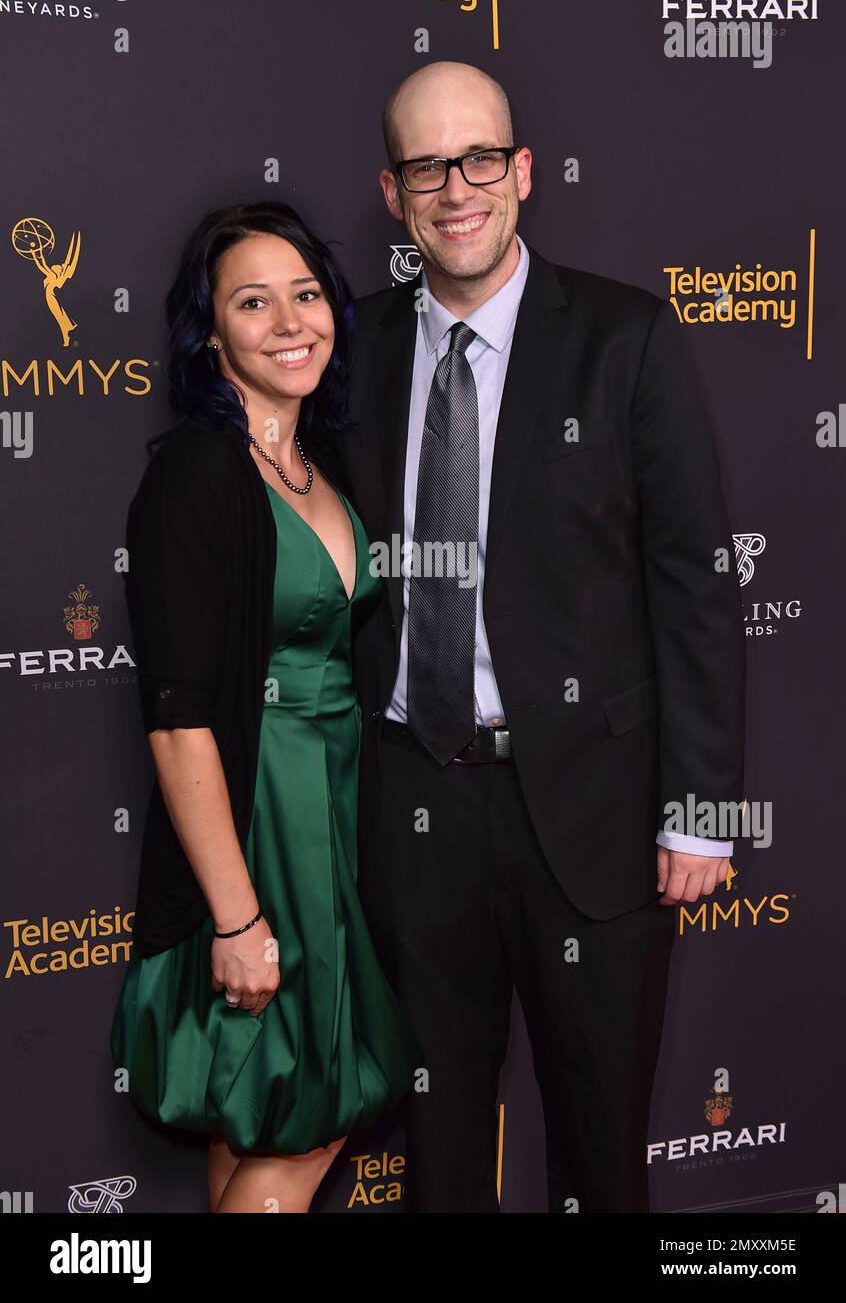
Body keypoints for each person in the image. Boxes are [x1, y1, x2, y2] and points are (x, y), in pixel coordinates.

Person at [332, 61, 746, 1212]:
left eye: (478, 159)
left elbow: (696, 585)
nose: (455, 187)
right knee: (435, 1152)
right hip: (416, 810)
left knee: (601, 1149)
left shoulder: (626, 338)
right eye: (426, 164)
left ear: (521, 172)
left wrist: (701, 810)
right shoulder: (349, 352)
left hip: (597, 814)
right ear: (392, 190)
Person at [110, 201, 421, 1214]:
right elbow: (178, 720)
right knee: (316, 1102)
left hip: (335, 819)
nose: (292, 323)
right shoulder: (199, 476)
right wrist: (236, 916)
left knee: (263, 1107)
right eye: (254, 302)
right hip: (255, 829)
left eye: (307, 294)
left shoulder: (318, 468)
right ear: (210, 332)